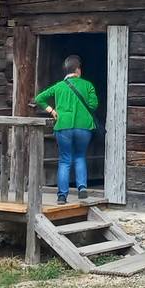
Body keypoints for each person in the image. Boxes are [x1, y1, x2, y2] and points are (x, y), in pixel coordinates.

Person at [37, 55, 100, 203]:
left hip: (63, 126)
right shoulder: (88, 85)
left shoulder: (59, 86)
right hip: (84, 127)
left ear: (66, 71)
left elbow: (39, 98)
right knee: (80, 157)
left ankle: (62, 196)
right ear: (78, 70)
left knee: (65, 160)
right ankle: (82, 188)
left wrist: (51, 110)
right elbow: (93, 105)